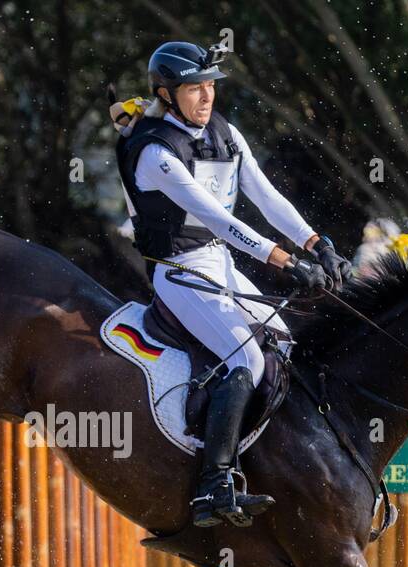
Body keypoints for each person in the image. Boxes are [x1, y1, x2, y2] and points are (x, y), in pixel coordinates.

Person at [114, 41, 352, 528]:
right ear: (165, 92)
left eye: (210, 86)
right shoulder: (154, 151)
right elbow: (216, 217)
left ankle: (267, 461)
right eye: (193, 88)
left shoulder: (225, 133)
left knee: (283, 345)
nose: (206, 96)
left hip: (218, 262)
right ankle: (213, 483)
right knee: (244, 356)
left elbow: (265, 195)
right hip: (179, 270)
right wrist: (282, 259)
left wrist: (315, 240)